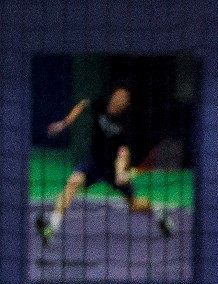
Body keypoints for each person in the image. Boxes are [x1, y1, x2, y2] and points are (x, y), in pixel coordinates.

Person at [35, 86, 176, 245]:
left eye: (125, 98)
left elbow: (123, 151)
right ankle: (52, 227)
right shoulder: (99, 105)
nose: (121, 100)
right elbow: (82, 105)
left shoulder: (127, 121)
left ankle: (158, 212)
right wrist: (65, 122)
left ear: (126, 103)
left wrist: (121, 171)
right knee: (72, 184)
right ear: (113, 96)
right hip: (95, 163)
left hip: (113, 167)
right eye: (119, 95)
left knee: (134, 205)